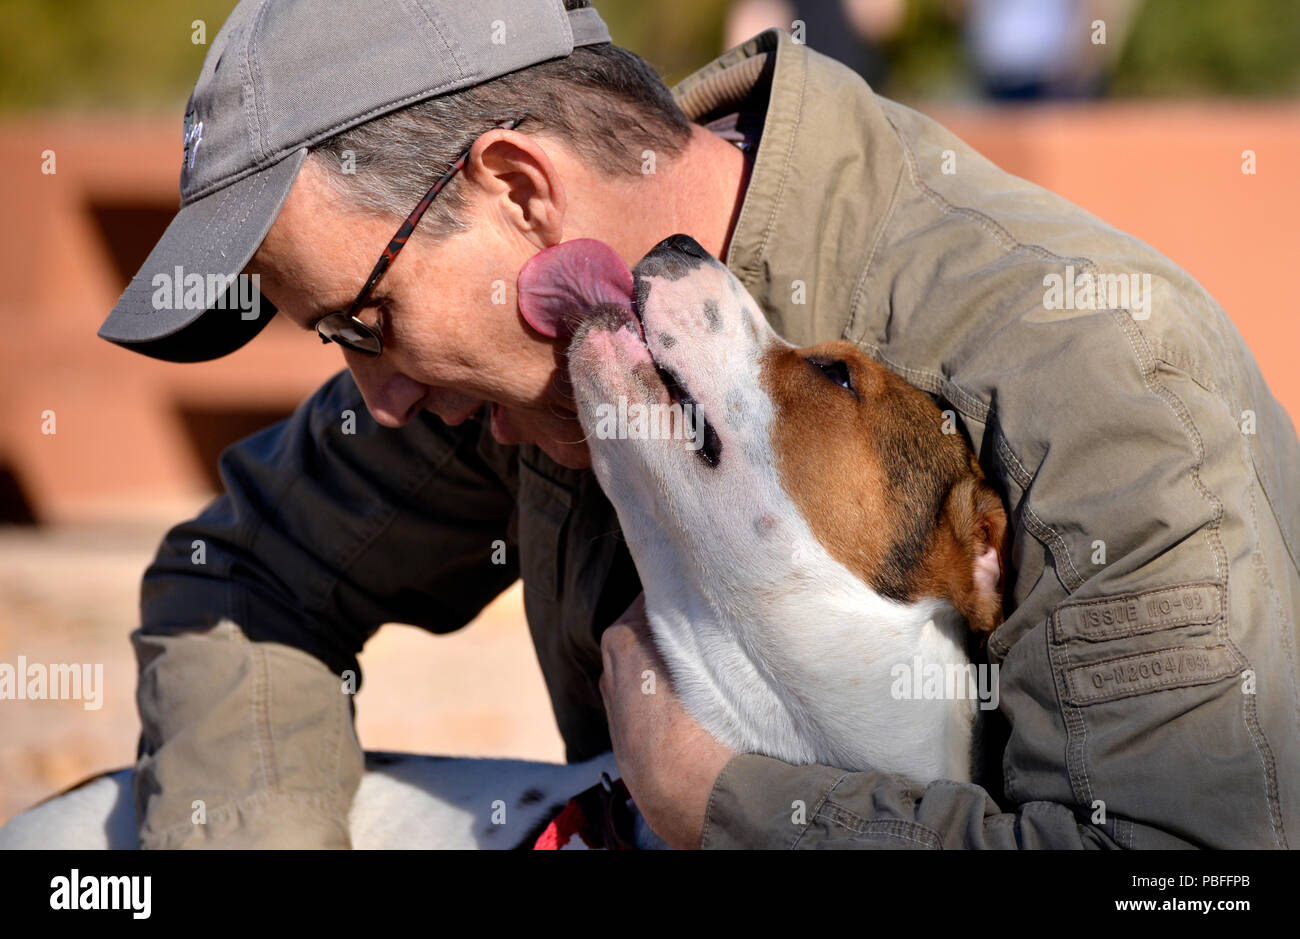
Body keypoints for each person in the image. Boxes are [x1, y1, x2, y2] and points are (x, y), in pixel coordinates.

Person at [99, 0, 1300, 849]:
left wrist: (728, 808)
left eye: (364, 324)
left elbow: (1183, 872)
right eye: (334, 343)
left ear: (518, 190)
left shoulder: (1087, 368)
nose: (383, 402)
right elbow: (237, 573)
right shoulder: (518, 355)